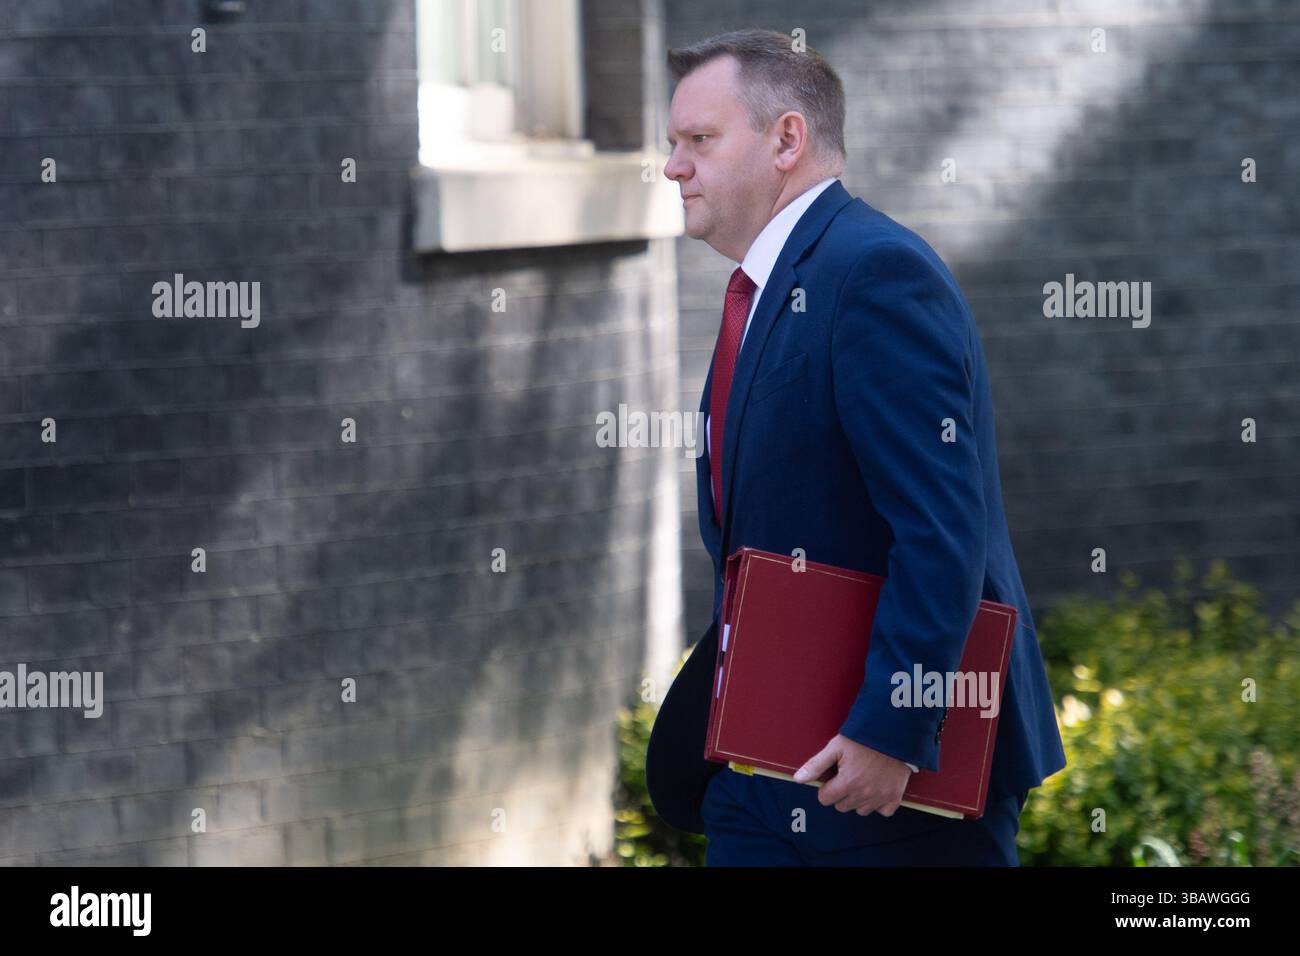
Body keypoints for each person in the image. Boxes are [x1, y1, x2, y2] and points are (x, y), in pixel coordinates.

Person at [644, 29, 1067, 866]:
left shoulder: (874, 273)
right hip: (762, 773)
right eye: (673, 144)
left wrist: (890, 731)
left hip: (889, 787)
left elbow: (941, 528)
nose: (673, 168)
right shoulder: (766, 290)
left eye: (699, 141)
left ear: (786, 141)